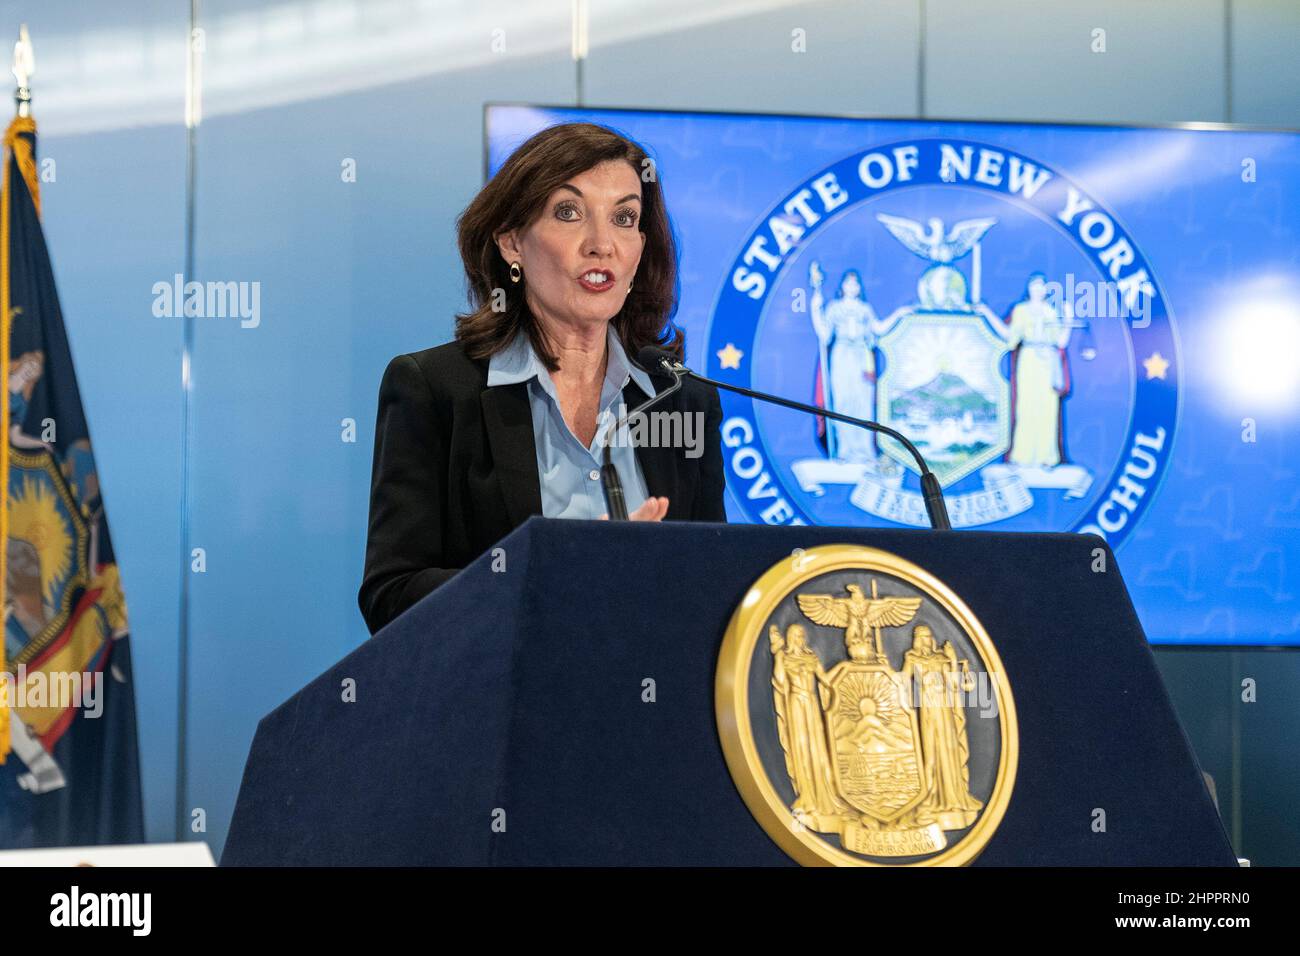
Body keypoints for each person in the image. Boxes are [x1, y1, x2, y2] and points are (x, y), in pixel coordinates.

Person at [358, 123, 726, 635]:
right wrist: (559, 574)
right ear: (511, 241)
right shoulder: (435, 389)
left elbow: (718, 582)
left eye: (624, 218)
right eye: (569, 212)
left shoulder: (683, 402)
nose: (602, 245)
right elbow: (392, 596)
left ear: (641, 249)